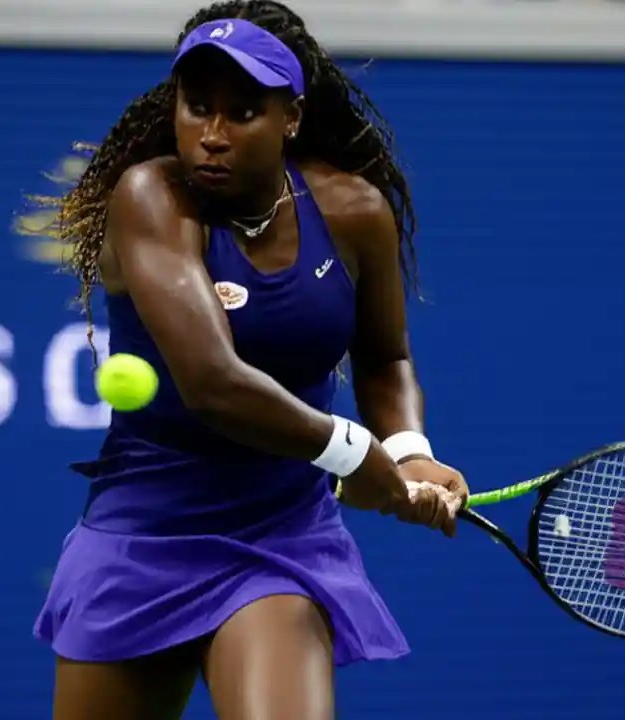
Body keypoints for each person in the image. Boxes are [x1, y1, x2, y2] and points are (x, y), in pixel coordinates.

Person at [25, 2, 469, 718]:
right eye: (197, 108)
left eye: (243, 113)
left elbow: (384, 360)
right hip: (142, 536)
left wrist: (410, 450)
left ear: (290, 117)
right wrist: (355, 454)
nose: (212, 136)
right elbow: (213, 383)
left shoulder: (354, 212)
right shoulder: (150, 196)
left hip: (280, 540)